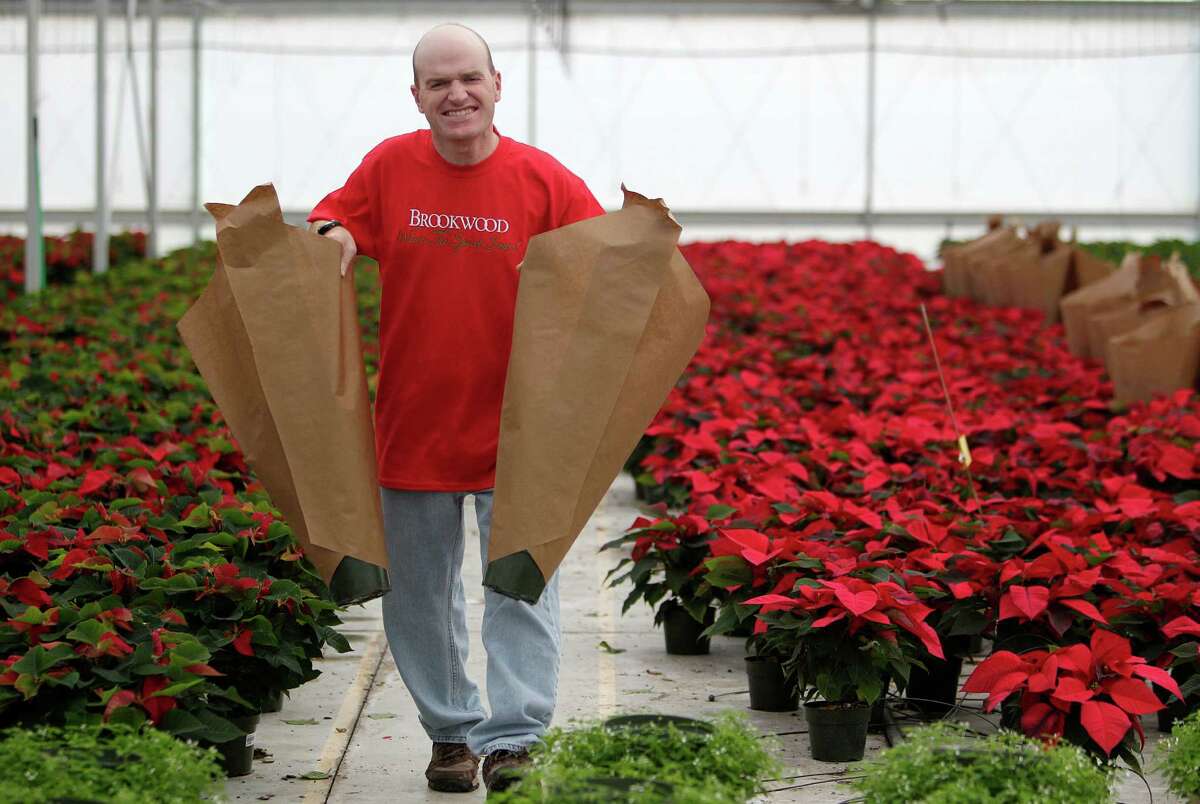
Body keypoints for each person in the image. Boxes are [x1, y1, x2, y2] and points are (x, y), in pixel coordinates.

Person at [307, 22, 603, 795]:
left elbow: (606, 270)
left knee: (520, 590)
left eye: (469, 77)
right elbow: (333, 218)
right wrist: (333, 234)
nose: (456, 94)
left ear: (498, 84)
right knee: (419, 601)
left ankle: (514, 741)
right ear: (417, 96)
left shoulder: (546, 182)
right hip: (414, 427)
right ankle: (450, 734)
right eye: (437, 83)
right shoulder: (388, 166)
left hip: (521, 437)